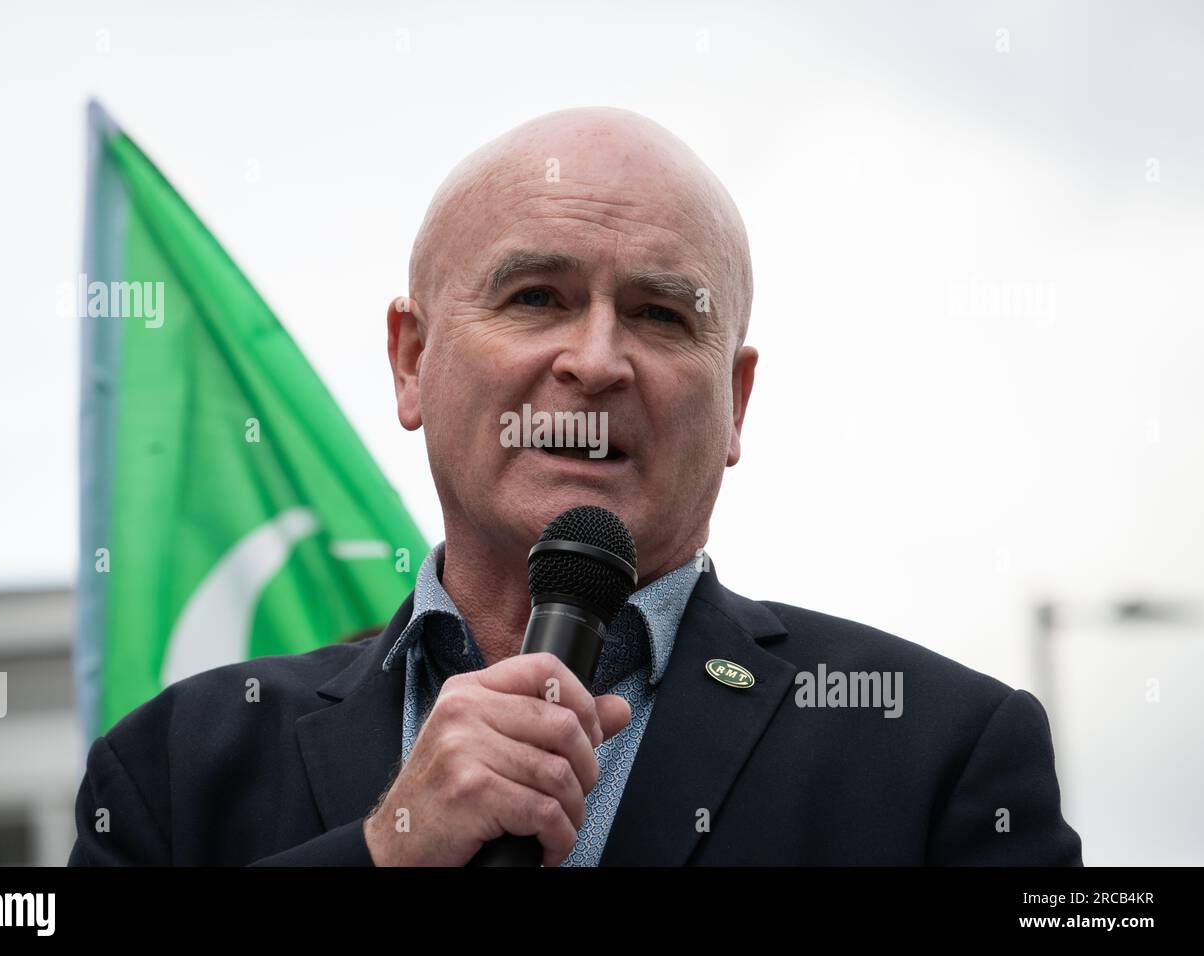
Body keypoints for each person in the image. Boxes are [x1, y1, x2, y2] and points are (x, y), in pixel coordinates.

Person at [68, 107, 1082, 866]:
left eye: (659, 314)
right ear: (410, 359)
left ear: (734, 400)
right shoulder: (173, 766)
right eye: (536, 296)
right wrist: (383, 853)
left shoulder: (936, 751)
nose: (596, 360)